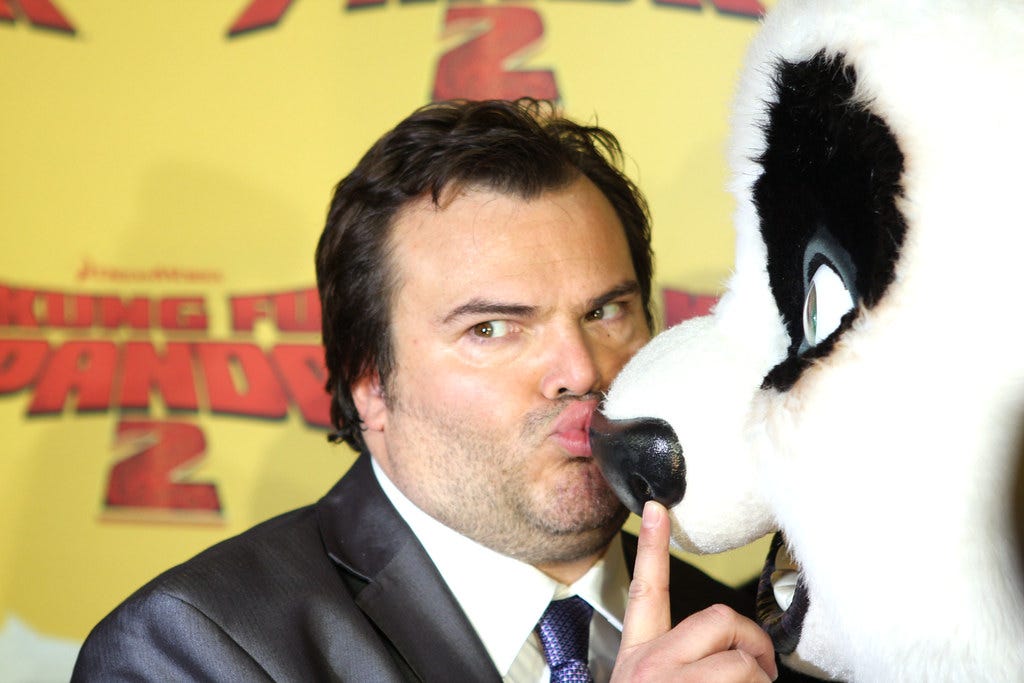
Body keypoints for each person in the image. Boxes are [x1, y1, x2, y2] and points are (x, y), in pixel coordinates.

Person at [72, 99, 779, 682]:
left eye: (605, 312)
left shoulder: (749, 641)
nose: (580, 368)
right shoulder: (192, 648)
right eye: (492, 328)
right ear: (369, 383)